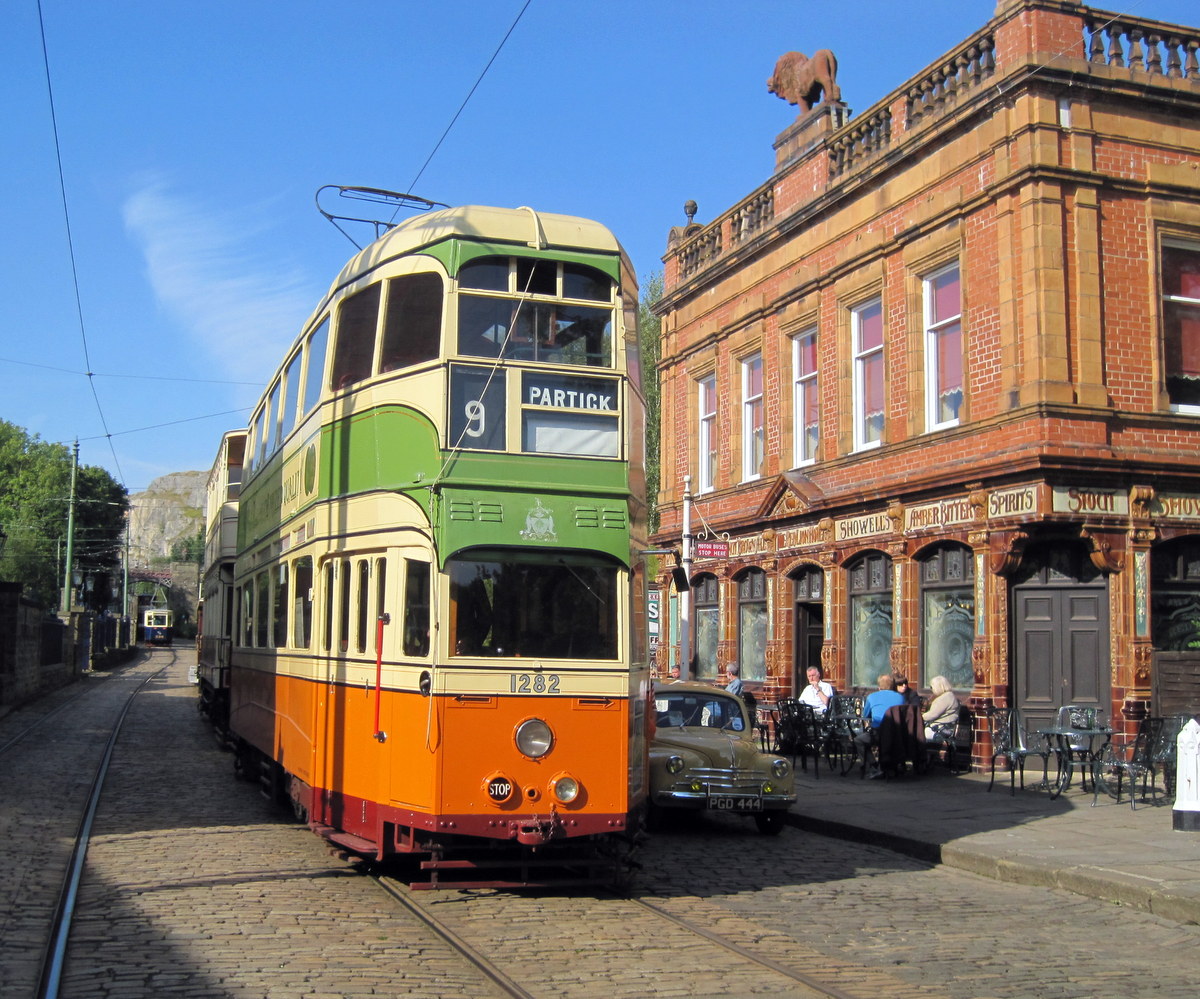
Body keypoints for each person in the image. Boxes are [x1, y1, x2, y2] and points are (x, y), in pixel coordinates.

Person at [855, 673, 906, 778]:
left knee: (858, 740)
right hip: (896, 735)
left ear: (879, 685)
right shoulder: (900, 697)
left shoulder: (872, 697)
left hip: (878, 734)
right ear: (893, 685)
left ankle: (874, 765)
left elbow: (865, 715)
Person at [922, 675, 959, 740]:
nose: (931, 689)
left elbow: (932, 715)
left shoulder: (944, 699)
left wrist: (919, 716)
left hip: (939, 728)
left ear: (938, 687)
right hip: (947, 727)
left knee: (915, 733)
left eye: (931, 687)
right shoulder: (950, 696)